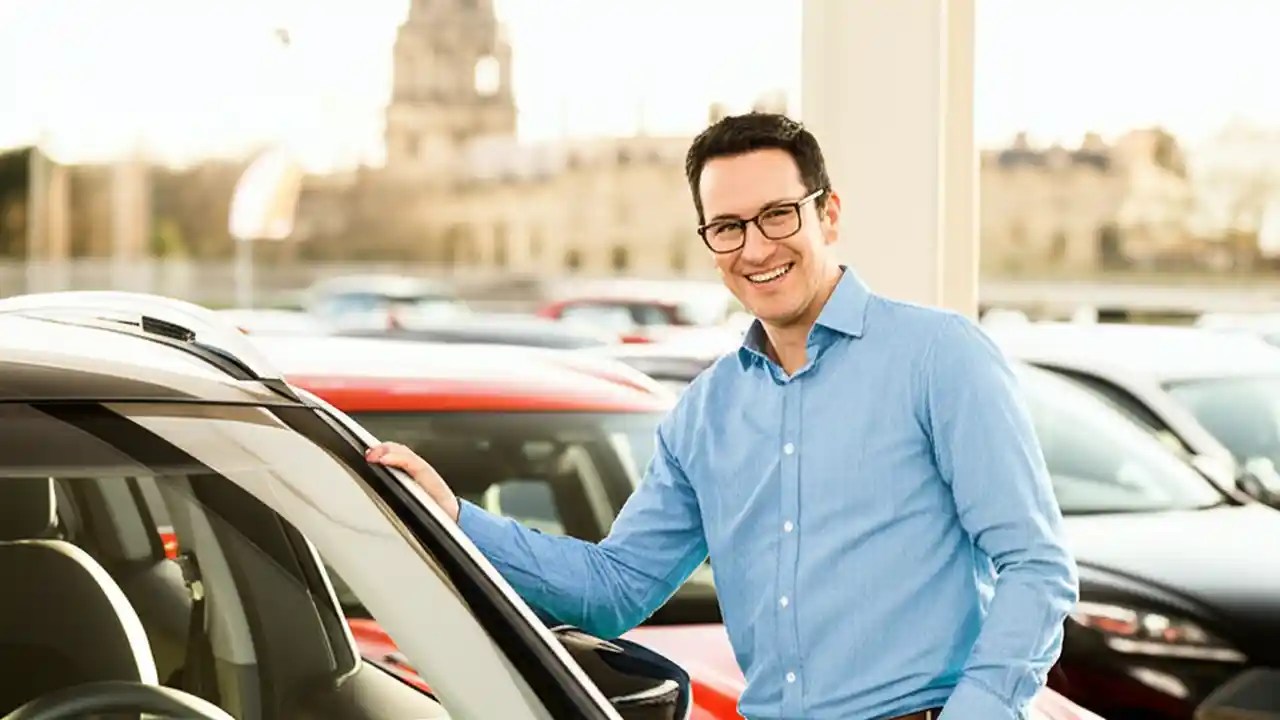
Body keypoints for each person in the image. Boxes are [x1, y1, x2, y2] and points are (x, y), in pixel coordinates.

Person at [366, 112, 1079, 720]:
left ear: (827, 212)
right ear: (709, 244)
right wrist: (455, 518)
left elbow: (1037, 566)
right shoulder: (705, 413)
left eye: (777, 214)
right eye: (728, 227)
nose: (757, 248)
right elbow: (613, 591)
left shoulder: (938, 358)